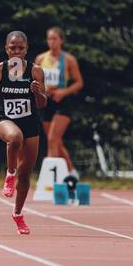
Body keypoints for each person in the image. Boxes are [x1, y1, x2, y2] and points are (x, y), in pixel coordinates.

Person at [0, 30, 47, 235]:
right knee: (14, 138)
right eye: (13, 48)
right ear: (6, 49)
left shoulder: (36, 71)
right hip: (6, 119)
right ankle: (9, 174)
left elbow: (42, 104)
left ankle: (18, 214)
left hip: (31, 123)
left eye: (21, 48)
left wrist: (38, 92)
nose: (17, 51)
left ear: (27, 49)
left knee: (27, 172)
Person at [35, 26, 84, 174]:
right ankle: (71, 172)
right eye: (49, 39)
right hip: (46, 102)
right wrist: (43, 88)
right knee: (56, 141)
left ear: (61, 40)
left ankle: (52, 180)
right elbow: (35, 80)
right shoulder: (41, 58)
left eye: (55, 39)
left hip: (63, 102)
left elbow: (79, 82)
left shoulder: (69, 60)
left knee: (52, 139)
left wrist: (64, 91)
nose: (52, 42)